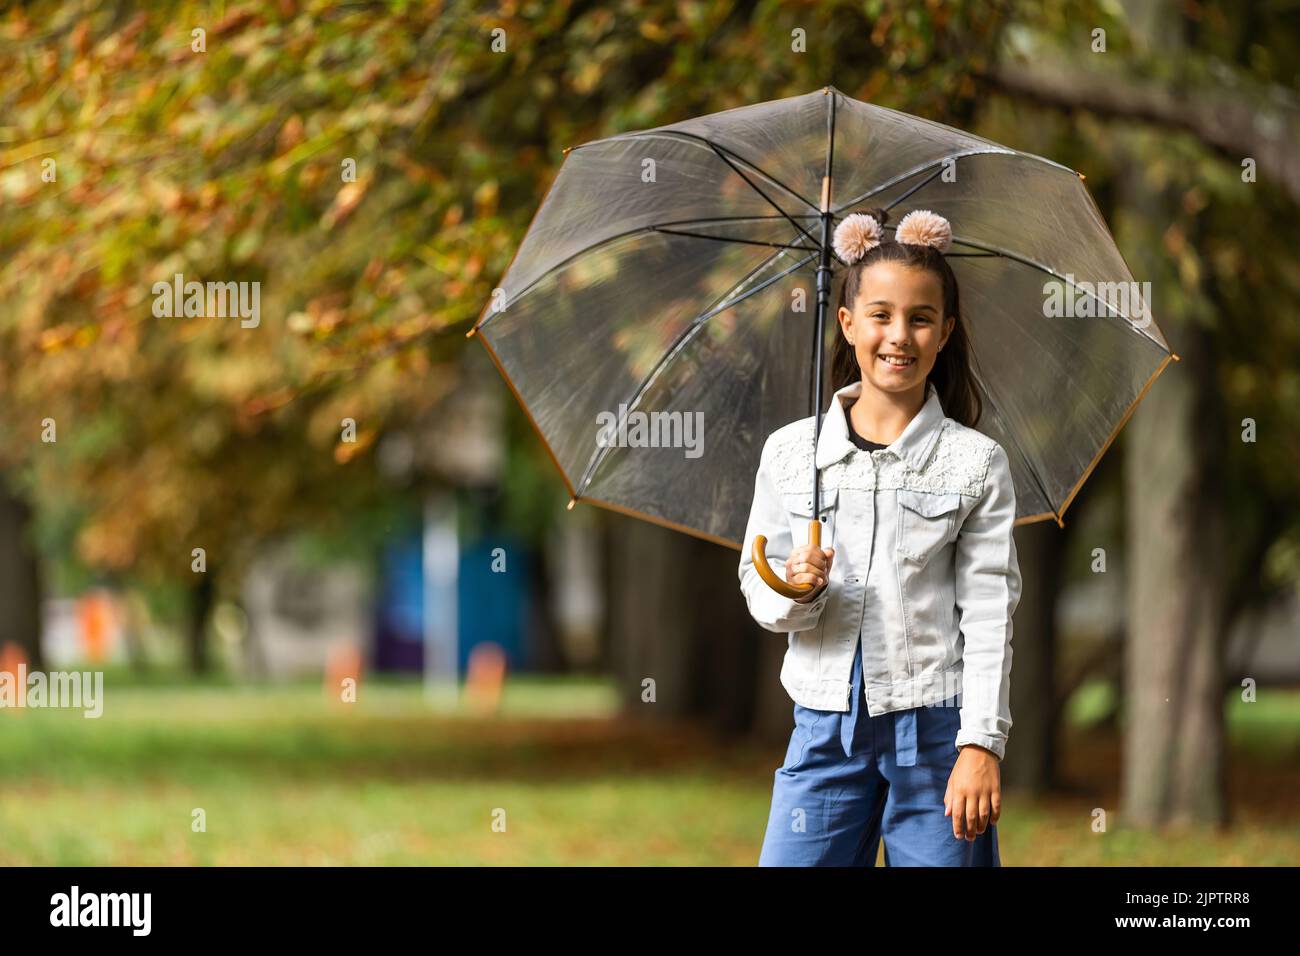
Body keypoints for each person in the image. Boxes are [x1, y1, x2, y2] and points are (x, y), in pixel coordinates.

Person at [738, 206, 1022, 866]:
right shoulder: (791, 454)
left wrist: (980, 743)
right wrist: (799, 590)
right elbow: (760, 579)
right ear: (847, 322)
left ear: (946, 330)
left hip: (936, 731)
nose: (900, 335)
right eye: (881, 315)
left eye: (921, 318)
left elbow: (987, 614)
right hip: (823, 732)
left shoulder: (975, 463)